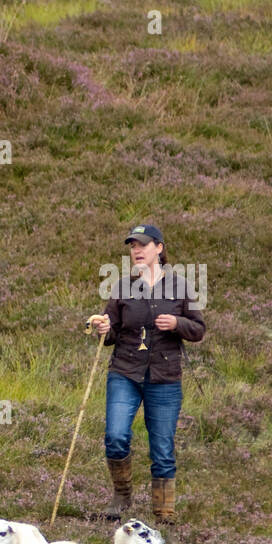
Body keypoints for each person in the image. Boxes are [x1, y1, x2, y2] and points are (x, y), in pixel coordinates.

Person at [87, 225, 205, 524]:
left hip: (164, 377)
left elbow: (199, 330)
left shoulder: (181, 287)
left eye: (143, 244)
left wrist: (177, 323)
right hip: (124, 372)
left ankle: (164, 514)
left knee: (162, 448)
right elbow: (110, 332)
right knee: (115, 436)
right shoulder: (122, 287)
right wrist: (101, 328)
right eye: (132, 246)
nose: (136, 250)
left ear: (159, 248)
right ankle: (122, 497)